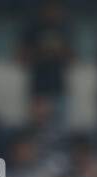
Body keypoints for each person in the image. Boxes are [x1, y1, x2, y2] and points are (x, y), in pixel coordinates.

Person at [18, 0, 75, 135]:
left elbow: (73, 59)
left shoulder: (65, 29)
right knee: (38, 131)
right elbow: (21, 58)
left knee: (60, 131)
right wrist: (40, 52)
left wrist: (58, 52)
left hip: (58, 87)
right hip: (39, 87)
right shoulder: (33, 29)